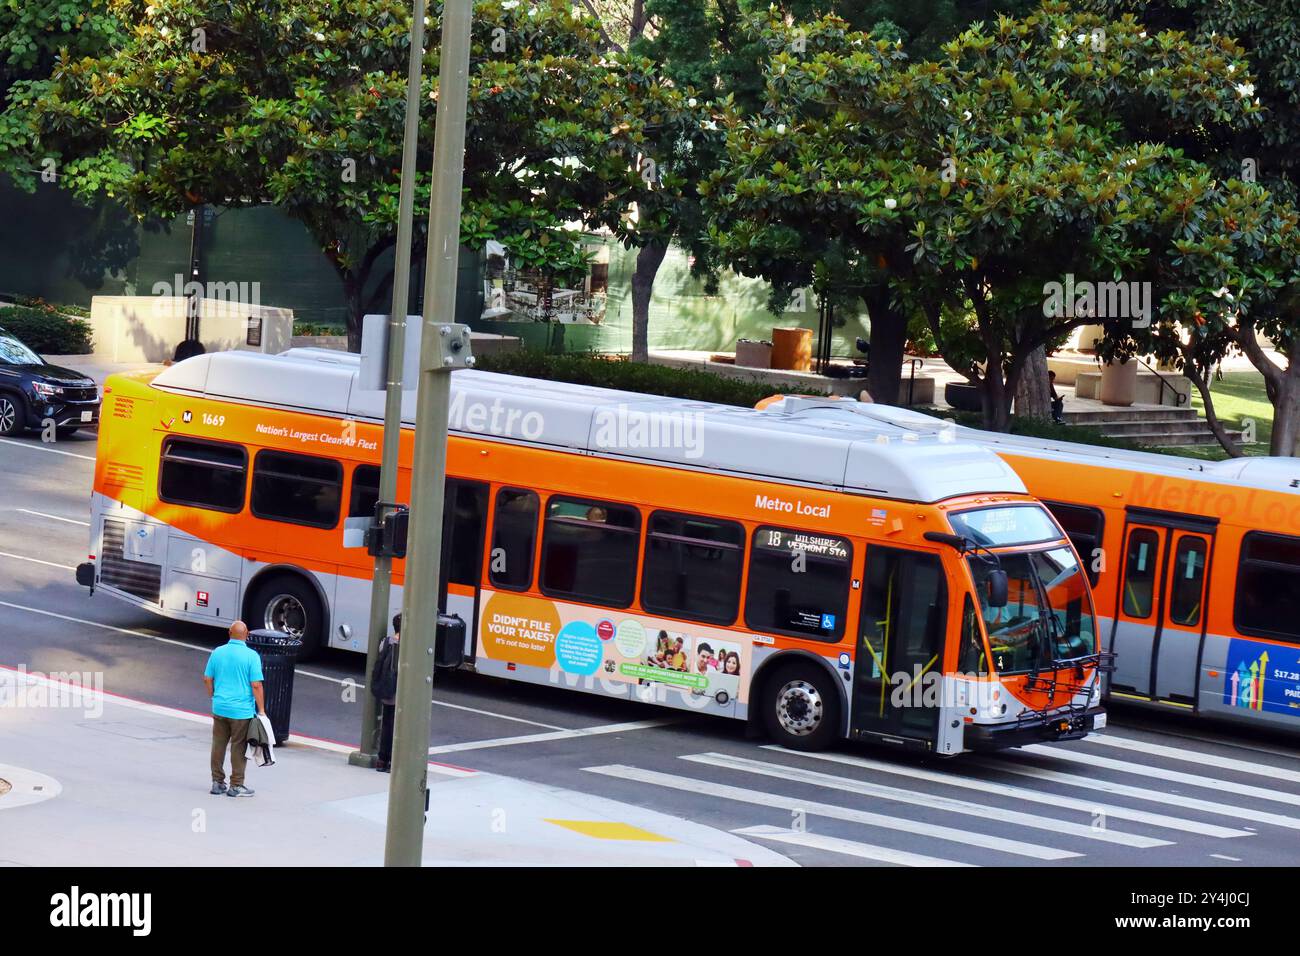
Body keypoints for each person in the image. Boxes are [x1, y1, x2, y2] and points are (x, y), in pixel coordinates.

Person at [203, 621, 265, 797]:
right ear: (247, 635)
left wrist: (213, 697)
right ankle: (236, 785)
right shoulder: (251, 656)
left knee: (218, 744)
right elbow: (256, 685)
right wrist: (261, 709)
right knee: (238, 747)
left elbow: (207, 679)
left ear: (229, 633)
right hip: (241, 711)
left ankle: (217, 782)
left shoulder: (218, 652)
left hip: (220, 708)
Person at [375, 613, 401, 773]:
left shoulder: (385, 642)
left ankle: (382, 760)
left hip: (386, 690)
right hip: (398, 692)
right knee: (397, 727)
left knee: (386, 724)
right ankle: (393, 760)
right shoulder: (405, 647)